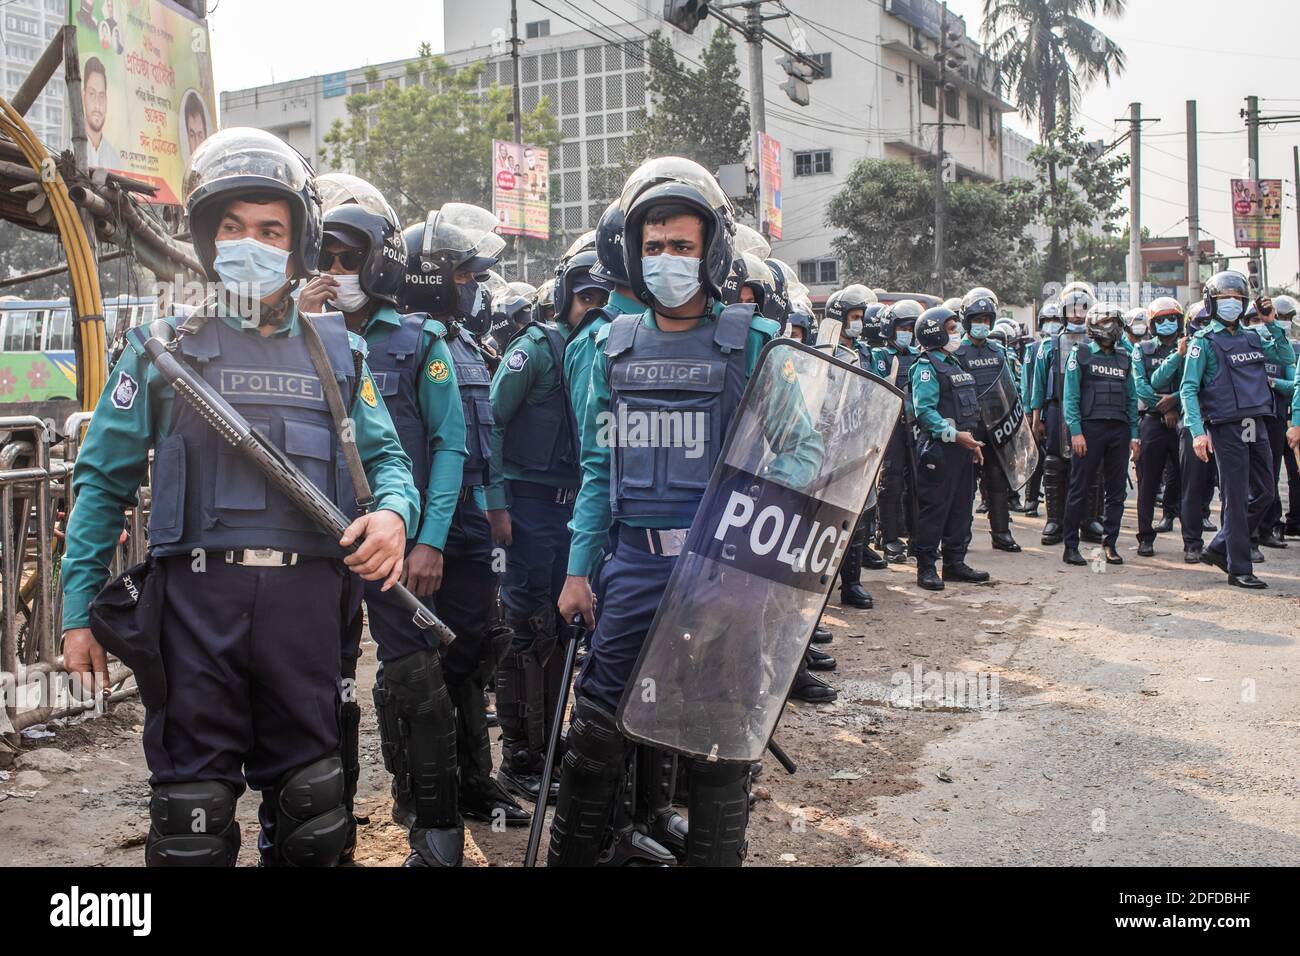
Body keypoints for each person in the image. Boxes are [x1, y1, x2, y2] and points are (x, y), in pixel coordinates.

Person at [60, 128, 418, 867]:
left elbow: (387, 462)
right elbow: (101, 483)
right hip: (193, 613)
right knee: (191, 814)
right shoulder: (161, 347)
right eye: (232, 227)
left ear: (297, 244)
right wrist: (77, 615)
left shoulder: (340, 352)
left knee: (314, 814)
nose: (248, 243)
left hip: (307, 612)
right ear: (205, 235)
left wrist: (392, 515)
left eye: (269, 230)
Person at [550, 157, 782, 866]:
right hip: (635, 568)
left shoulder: (756, 343)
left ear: (710, 251)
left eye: (681, 246)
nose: (666, 260)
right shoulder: (605, 345)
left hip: (723, 572)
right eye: (653, 247)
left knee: (718, 739)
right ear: (631, 252)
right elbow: (597, 471)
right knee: (596, 731)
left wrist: (764, 572)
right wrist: (577, 572)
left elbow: (798, 463)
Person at [487, 264, 582, 803]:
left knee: (563, 629)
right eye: (583, 295)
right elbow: (493, 423)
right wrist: (496, 503)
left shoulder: (599, 349)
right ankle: (520, 757)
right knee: (526, 629)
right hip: (526, 507)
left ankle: (549, 744)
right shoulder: (536, 349)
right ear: (564, 297)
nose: (592, 305)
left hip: (572, 512)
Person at [1180, 271, 1296, 587]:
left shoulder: (1254, 336)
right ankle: (1239, 567)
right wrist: (1197, 432)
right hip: (1225, 425)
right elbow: (1188, 388)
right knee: (1234, 495)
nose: (1231, 303)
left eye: (1236, 299)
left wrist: (1271, 321)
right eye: (1224, 299)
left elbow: (1287, 356)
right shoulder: (1202, 342)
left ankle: (1219, 546)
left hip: (1255, 421)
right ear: (1211, 303)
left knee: (1266, 491)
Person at [909, 306, 990, 591]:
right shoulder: (926, 367)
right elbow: (925, 412)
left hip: (962, 450)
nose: (956, 333)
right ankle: (927, 568)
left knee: (960, 509)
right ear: (935, 332)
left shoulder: (954, 362)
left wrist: (972, 443)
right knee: (935, 511)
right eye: (952, 328)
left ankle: (955, 563)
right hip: (939, 450)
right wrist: (955, 436)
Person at [1059, 303, 1139, 567]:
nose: (1113, 328)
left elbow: (1131, 398)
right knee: (1079, 487)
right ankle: (1070, 546)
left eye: (1116, 322)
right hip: (1089, 430)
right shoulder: (1080, 354)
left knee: (1116, 491)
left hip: (1118, 430)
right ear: (1094, 325)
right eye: (1107, 322)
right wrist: (1076, 432)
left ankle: (1110, 544)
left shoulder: (1124, 357)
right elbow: (1070, 397)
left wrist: (1134, 434)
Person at [1030, 287, 1099, 545]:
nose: (1078, 315)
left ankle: (1088, 520)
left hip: (1090, 410)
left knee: (1090, 464)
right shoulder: (1050, 344)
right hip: (1056, 408)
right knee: (1054, 464)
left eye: (1083, 309)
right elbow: (1038, 382)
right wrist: (1036, 416)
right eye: (1072, 310)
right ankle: (1055, 521)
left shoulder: (1097, 343)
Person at [955, 288, 1020, 552]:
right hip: (969, 427)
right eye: (976, 320)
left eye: (986, 320)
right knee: (964, 484)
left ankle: (1001, 533)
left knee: (997, 480)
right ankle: (960, 536)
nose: (982, 325)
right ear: (966, 321)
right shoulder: (958, 351)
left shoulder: (998, 351)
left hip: (996, 425)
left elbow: (1009, 386)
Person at [1131, 297, 1185, 556]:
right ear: (1152, 324)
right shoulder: (1141, 349)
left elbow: (1194, 383)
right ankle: (1145, 537)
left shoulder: (1189, 348)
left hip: (1183, 421)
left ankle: (1191, 540)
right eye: (1161, 320)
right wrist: (1164, 407)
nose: (1167, 324)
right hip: (1151, 421)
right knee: (1148, 484)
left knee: (1188, 481)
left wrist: (1175, 403)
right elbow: (1141, 387)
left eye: (1172, 318)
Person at [875, 299, 923, 563]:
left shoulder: (919, 357)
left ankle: (918, 538)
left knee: (918, 483)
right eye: (903, 326)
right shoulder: (879, 356)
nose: (907, 331)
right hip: (891, 427)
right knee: (890, 483)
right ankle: (889, 537)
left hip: (915, 427)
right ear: (891, 328)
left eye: (911, 327)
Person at [82, 57, 122, 170]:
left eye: (101, 96)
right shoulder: (70, 149)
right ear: (82, 96)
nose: (97, 104)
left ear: (106, 101)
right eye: (91, 94)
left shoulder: (114, 159)